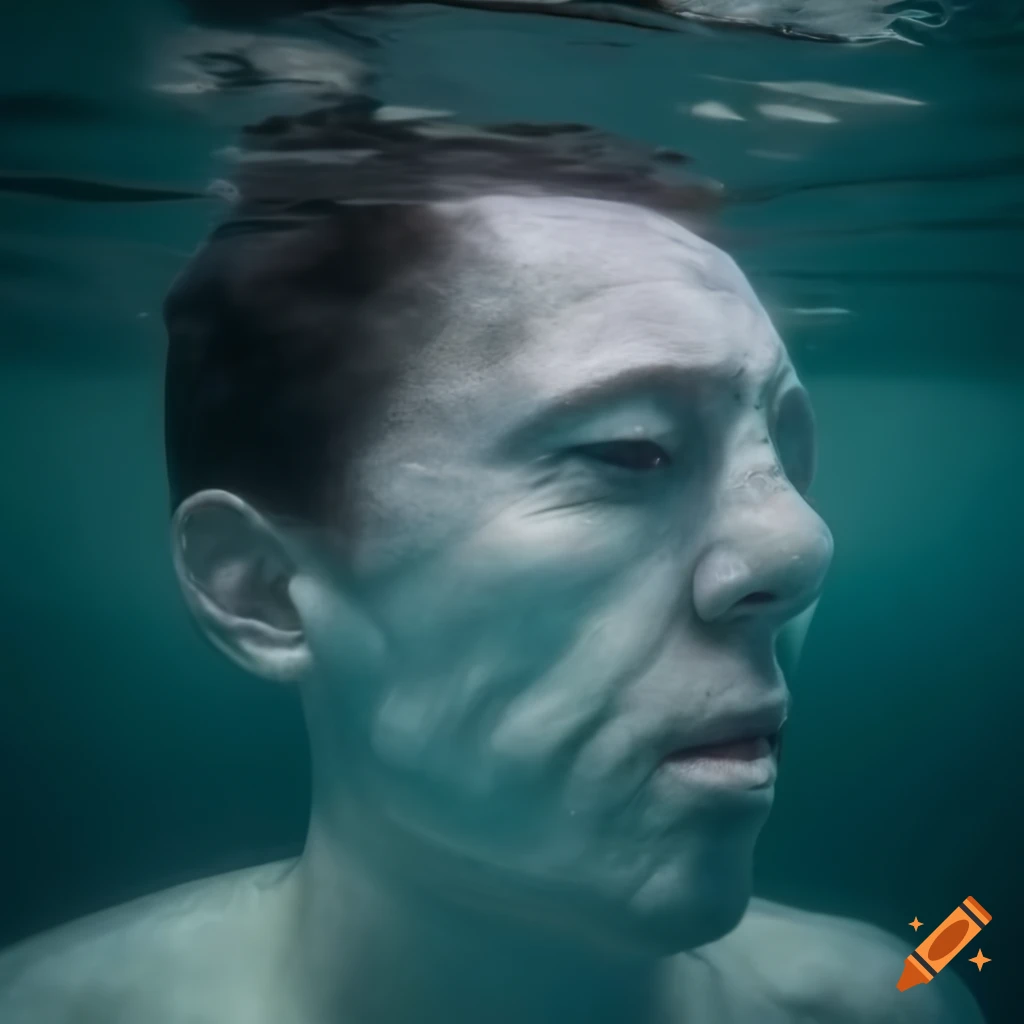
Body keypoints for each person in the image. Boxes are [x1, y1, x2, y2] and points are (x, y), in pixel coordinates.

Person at [0, 106, 984, 1024]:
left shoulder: (897, 995)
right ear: (263, 591)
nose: (798, 547)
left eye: (785, 453)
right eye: (630, 450)